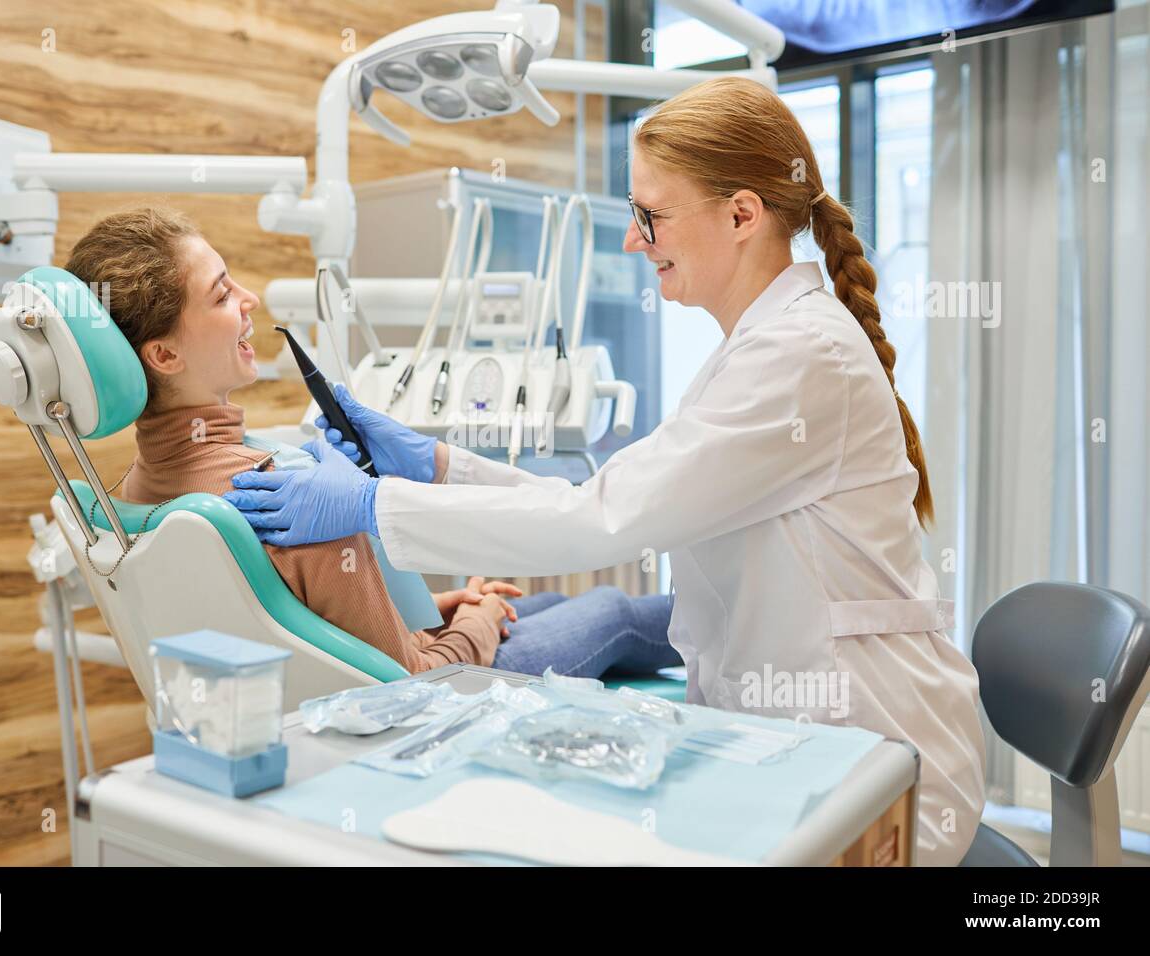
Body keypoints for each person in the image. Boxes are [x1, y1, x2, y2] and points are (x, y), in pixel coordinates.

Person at [223, 77, 988, 866]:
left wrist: (376, 504)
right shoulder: (756, 351)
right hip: (797, 737)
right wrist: (436, 464)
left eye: (650, 215)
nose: (632, 239)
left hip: (873, 749)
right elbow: (606, 499)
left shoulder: (800, 357)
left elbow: (601, 519)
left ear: (742, 214)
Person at [64, 208, 681, 679]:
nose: (250, 300)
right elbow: (412, 683)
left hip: (326, 692)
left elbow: (292, 620)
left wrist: (443, 607)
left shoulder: (125, 497)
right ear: (163, 354)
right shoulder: (282, 495)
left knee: (537, 601)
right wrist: (476, 622)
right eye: (223, 295)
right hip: (442, 702)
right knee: (611, 609)